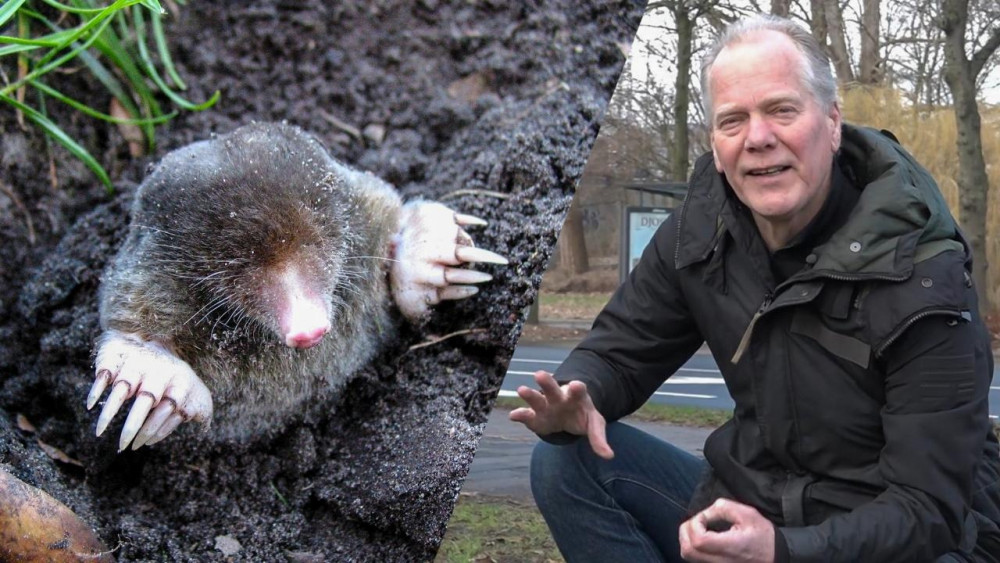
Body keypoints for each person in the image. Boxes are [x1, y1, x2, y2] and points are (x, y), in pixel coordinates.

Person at [511, 13, 1000, 563]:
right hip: (758, 511)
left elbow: (928, 510)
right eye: (733, 120)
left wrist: (784, 550)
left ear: (833, 123)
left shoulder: (921, 270)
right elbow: (620, 351)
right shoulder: (700, 233)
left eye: (781, 110)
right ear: (716, 146)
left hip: (905, 539)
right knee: (567, 464)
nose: (758, 138)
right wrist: (581, 395)